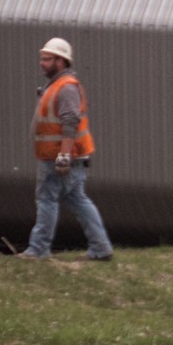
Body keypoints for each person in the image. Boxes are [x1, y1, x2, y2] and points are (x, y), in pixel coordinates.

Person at [22, 38, 114, 261]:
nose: (42, 63)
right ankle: (101, 248)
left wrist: (63, 155)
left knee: (47, 200)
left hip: (58, 158)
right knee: (78, 200)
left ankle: (38, 249)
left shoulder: (65, 88)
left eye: (47, 59)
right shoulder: (58, 86)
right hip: (69, 157)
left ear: (61, 61)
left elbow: (70, 121)